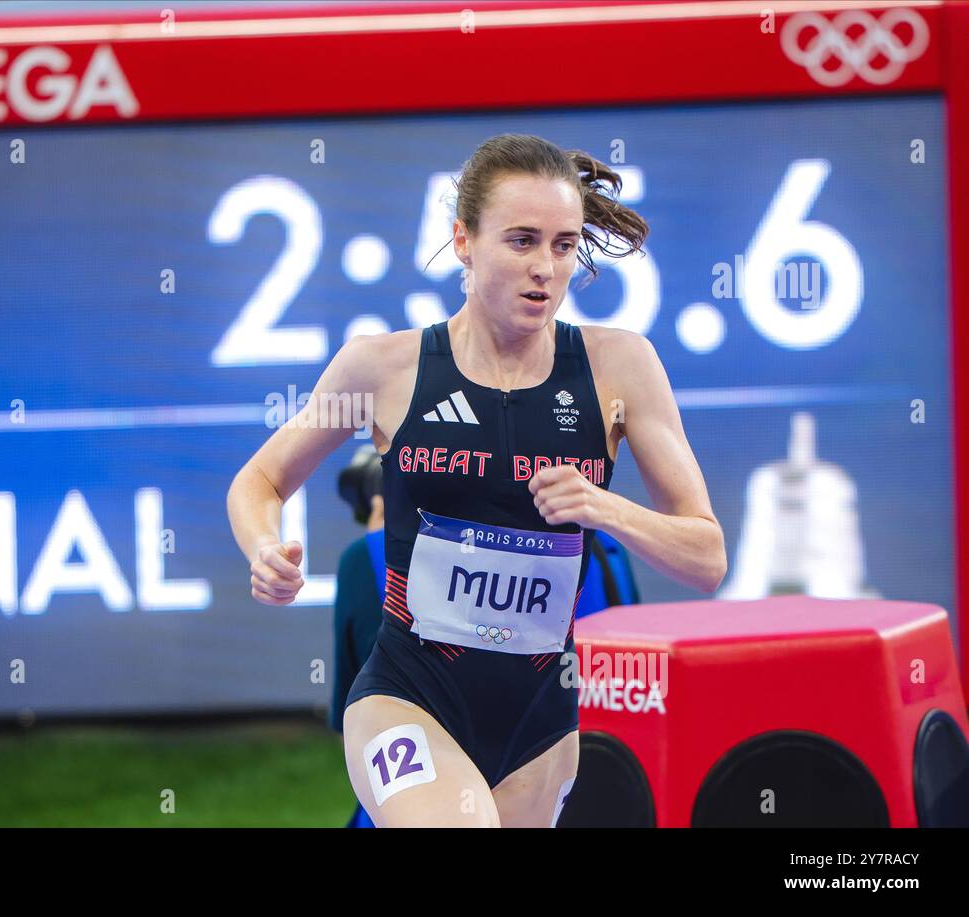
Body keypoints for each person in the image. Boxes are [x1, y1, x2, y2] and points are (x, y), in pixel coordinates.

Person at [226, 133, 726, 827]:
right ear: (463, 240)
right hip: (405, 695)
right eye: (521, 241)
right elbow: (262, 478)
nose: (545, 268)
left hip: (540, 722)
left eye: (563, 244)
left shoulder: (620, 368)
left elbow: (706, 557)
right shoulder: (384, 370)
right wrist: (262, 546)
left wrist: (605, 507)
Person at [331, 444, 386, 828]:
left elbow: (348, 721)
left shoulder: (364, 558)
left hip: (403, 788)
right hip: (586, 768)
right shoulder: (596, 549)